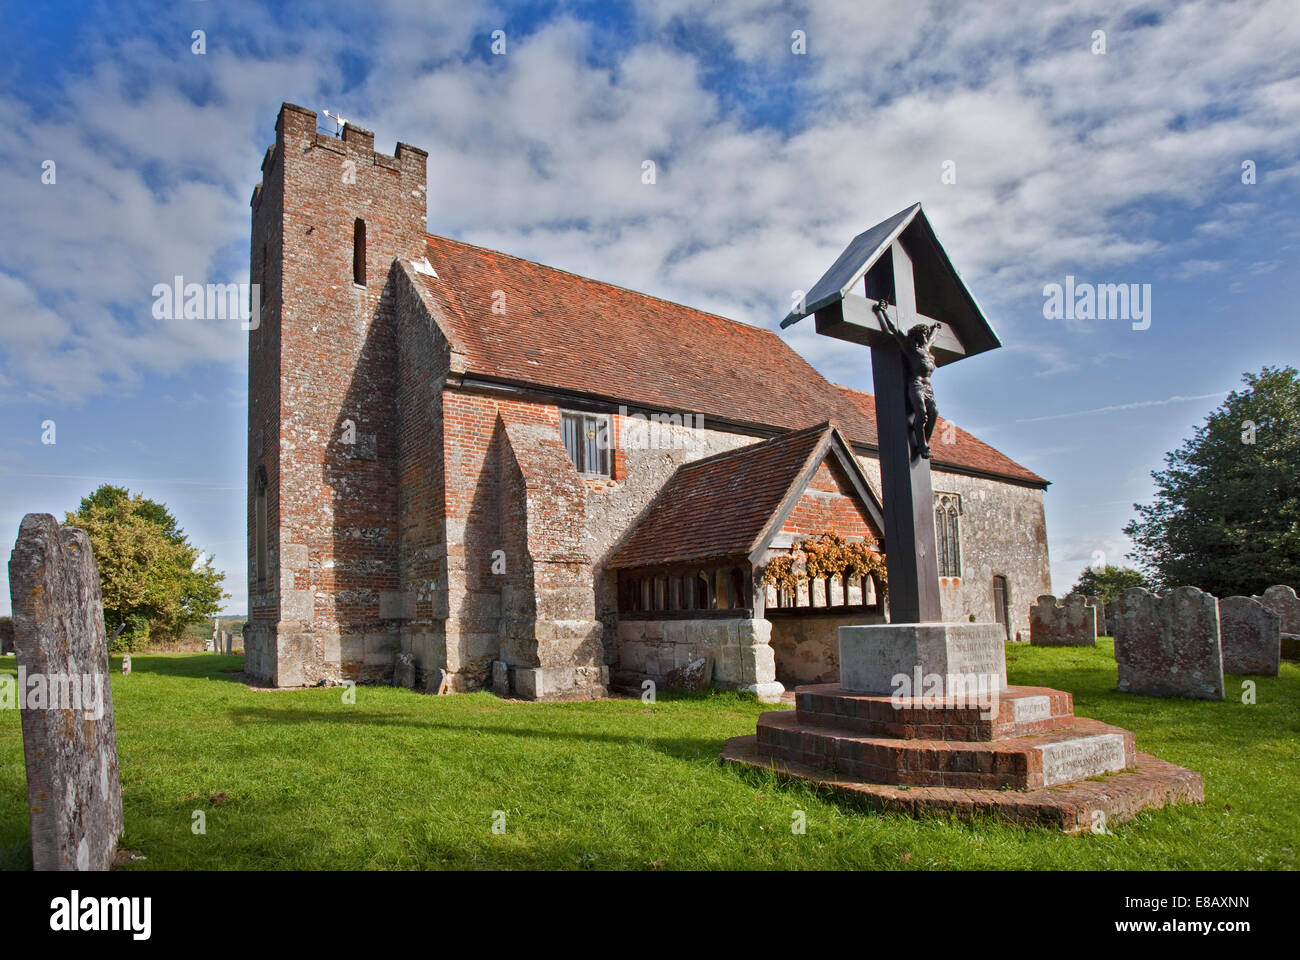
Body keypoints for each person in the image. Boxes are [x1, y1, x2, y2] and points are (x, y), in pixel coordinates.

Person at [872, 299, 941, 459]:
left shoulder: (926, 349)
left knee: (934, 412)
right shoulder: (910, 348)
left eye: (926, 334)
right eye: (923, 334)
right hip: (916, 385)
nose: (926, 336)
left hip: (929, 388)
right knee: (921, 413)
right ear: (917, 336)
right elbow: (893, 329)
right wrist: (882, 311)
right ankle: (922, 445)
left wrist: (935, 329)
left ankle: (923, 442)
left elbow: (933, 338)